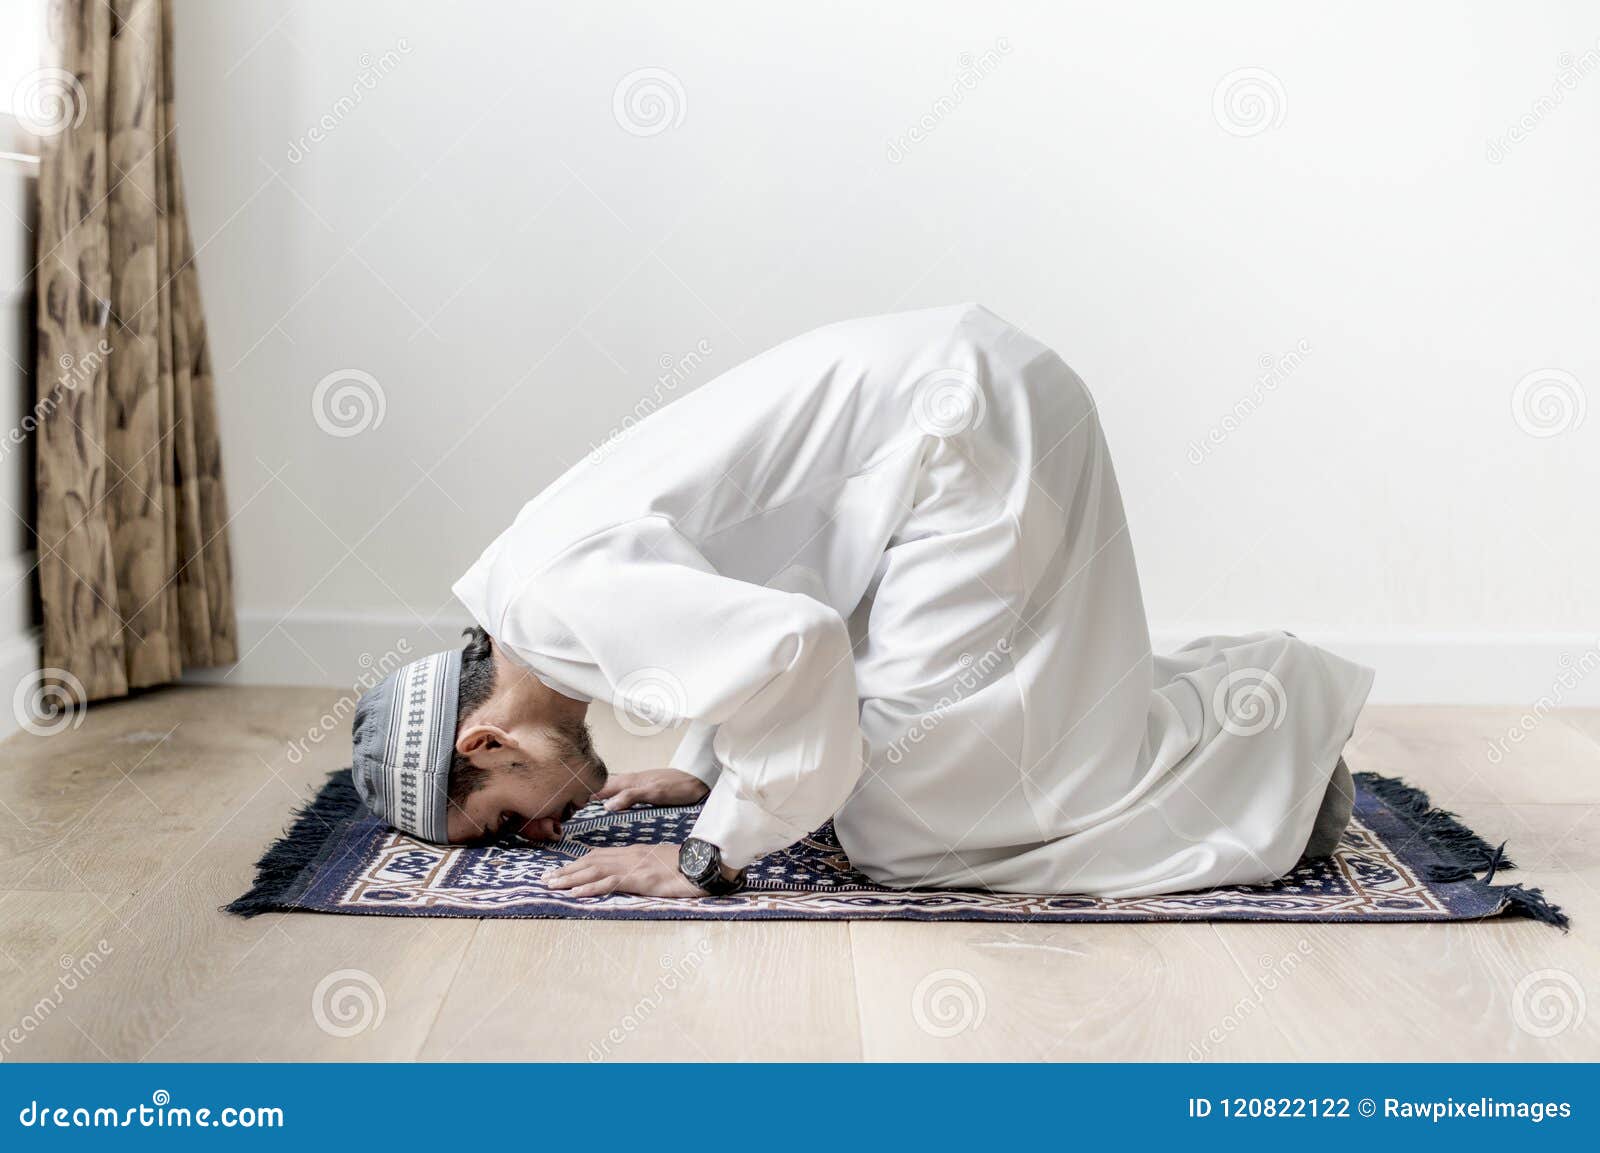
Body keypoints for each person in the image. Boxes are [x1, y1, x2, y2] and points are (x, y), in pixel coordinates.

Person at [350, 304, 1372, 899]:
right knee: (941, 745)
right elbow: (741, 592)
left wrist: (707, 856)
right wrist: (707, 769)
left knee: (900, 823)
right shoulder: (535, 586)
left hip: (959, 436)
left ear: (486, 744)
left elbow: (794, 643)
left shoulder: (562, 602)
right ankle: (1236, 727)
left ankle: (1270, 751)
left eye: (499, 828)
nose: (537, 838)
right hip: (969, 399)